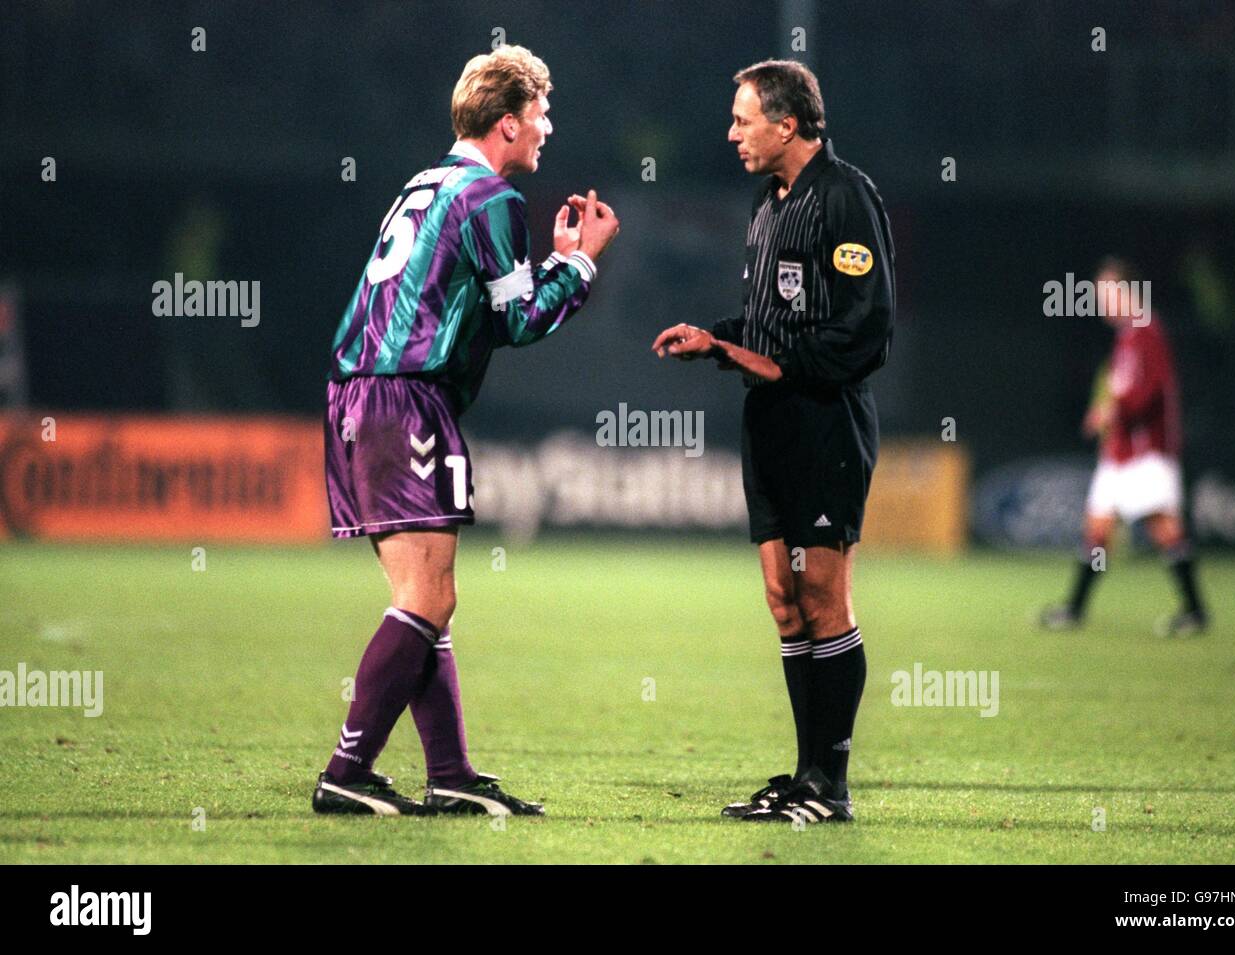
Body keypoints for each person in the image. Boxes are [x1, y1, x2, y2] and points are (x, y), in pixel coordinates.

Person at [313, 45, 619, 816]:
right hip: (406, 398)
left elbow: (483, 297)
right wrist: (580, 268)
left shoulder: (426, 183)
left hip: (359, 393)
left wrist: (549, 260)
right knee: (429, 596)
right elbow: (517, 322)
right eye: (542, 114)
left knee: (428, 600)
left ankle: (449, 771)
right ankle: (345, 772)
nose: (549, 128)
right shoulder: (489, 196)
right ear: (509, 122)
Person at [652, 60, 895, 823]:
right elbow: (768, 325)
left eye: (742, 118)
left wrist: (766, 361)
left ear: (787, 123)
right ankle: (802, 777)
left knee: (825, 598)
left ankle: (833, 785)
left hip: (824, 423)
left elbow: (867, 328)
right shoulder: (768, 203)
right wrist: (718, 338)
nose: (731, 133)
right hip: (770, 425)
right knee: (785, 602)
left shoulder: (845, 195)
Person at [1040, 258, 1207, 637]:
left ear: (1127, 292)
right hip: (1120, 452)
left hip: (1145, 450)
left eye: (1107, 294)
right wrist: (1106, 408)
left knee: (1164, 527)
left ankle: (1196, 611)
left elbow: (1144, 393)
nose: (1102, 303)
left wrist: (1110, 410)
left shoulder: (1146, 331)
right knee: (1097, 529)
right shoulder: (1130, 334)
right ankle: (1074, 609)